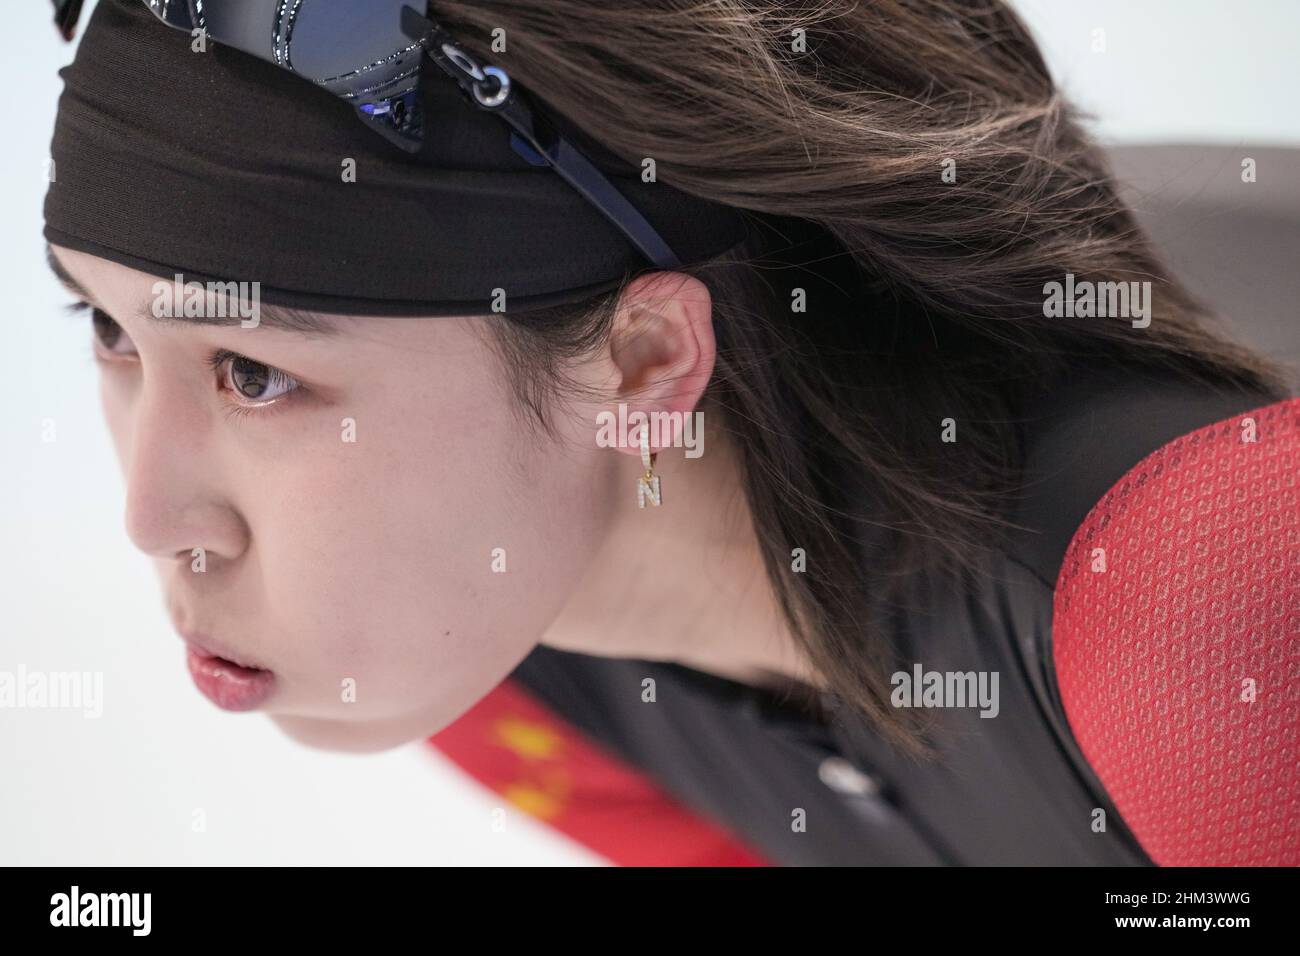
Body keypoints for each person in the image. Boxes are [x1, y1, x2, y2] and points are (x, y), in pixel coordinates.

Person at [43, 0, 1295, 864]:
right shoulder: (491, 650)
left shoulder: (1195, 610)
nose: (152, 517)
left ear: (642, 363)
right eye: (108, 330)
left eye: (256, 373)